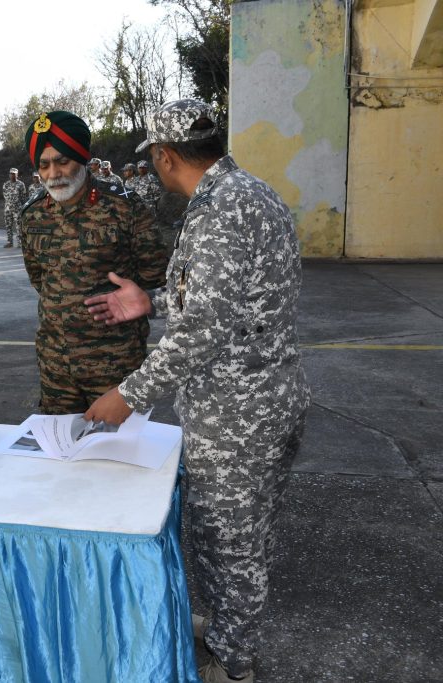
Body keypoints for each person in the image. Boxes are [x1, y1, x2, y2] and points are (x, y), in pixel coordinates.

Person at [83, 99, 310, 683]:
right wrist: (151, 301)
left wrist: (128, 395)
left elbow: (203, 331)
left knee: (234, 545)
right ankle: (227, 628)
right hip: (253, 402)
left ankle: (233, 666)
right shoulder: (245, 193)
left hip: (239, 414)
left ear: (165, 155)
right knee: (230, 535)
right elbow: (223, 299)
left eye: (153, 158)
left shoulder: (222, 210)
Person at [20, 111, 168, 414]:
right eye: (44, 165)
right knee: (60, 442)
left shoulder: (125, 206)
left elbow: (154, 276)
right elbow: (39, 279)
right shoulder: (32, 214)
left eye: (62, 161)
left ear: (82, 158)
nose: (53, 173)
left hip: (115, 363)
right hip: (56, 367)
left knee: (118, 443)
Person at [1, 167, 26, 248]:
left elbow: (23, 197)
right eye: (11, 174)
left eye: (14, 174)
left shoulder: (21, 184)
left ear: (17, 175)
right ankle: (10, 242)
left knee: (19, 226)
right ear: (9, 175)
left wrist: (22, 207)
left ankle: (20, 242)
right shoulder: (6, 184)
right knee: (8, 226)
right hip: (8, 208)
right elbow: (4, 195)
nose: (12, 175)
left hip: (17, 208)